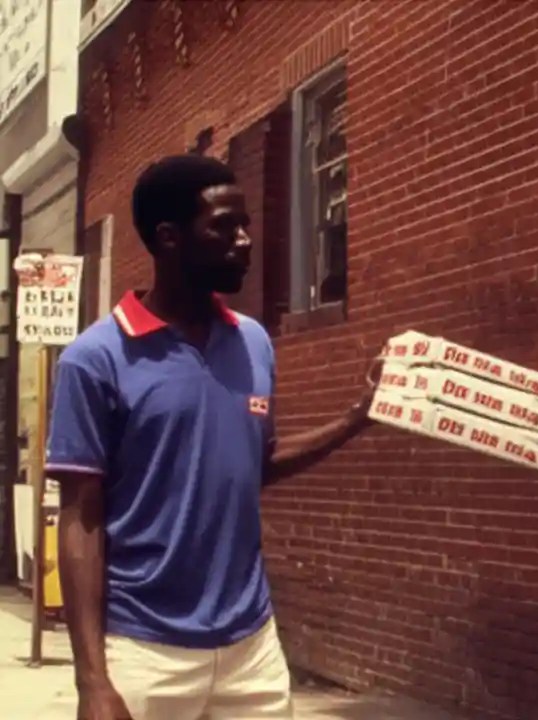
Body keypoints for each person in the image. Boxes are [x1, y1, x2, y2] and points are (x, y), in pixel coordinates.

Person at [49, 155, 379, 720]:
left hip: (251, 646)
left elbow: (259, 461)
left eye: (244, 223)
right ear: (169, 239)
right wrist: (92, 681)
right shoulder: (95, 359)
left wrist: (357, 418)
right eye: (224, 227)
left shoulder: (252, 342)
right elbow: (81, 518)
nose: (245, 240)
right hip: (144, 650)